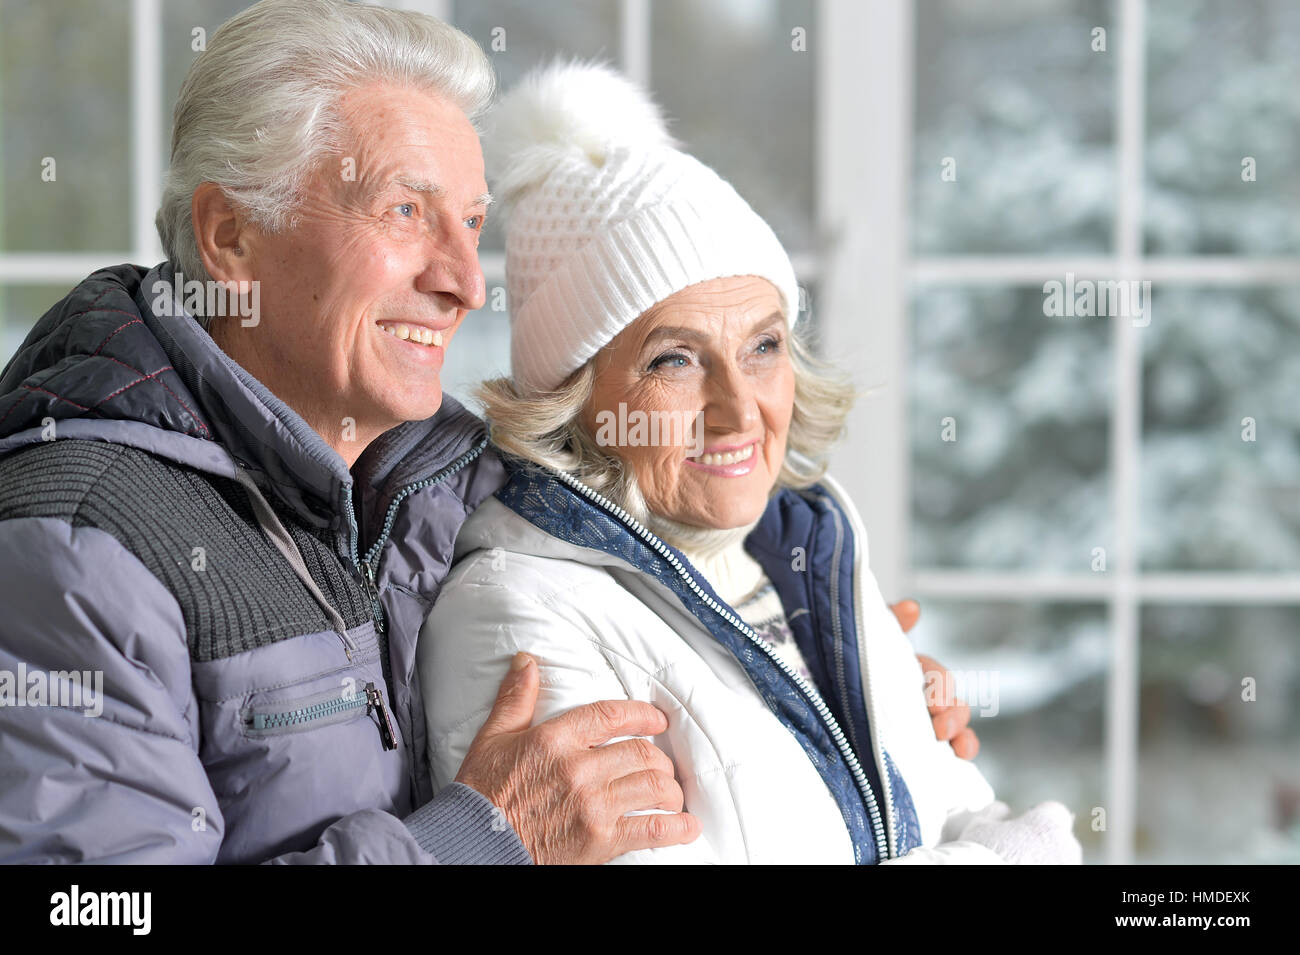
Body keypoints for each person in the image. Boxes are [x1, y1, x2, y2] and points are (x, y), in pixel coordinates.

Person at [0, 0, 974, 864]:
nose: (464, 282)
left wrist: (835, 679)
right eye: (405, 211)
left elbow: (658, 546)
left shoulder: (439, 475)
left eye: (470, 223)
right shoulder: (77, 545)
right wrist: (480, 842)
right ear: (230, 236)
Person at [418, 62, 1082, 864]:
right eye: (674, 360)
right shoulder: (513, 613)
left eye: (763, 345)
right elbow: (1000, 839)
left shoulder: (808, 550)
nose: (739, 409)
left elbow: (958, 807)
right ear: (572, 395)